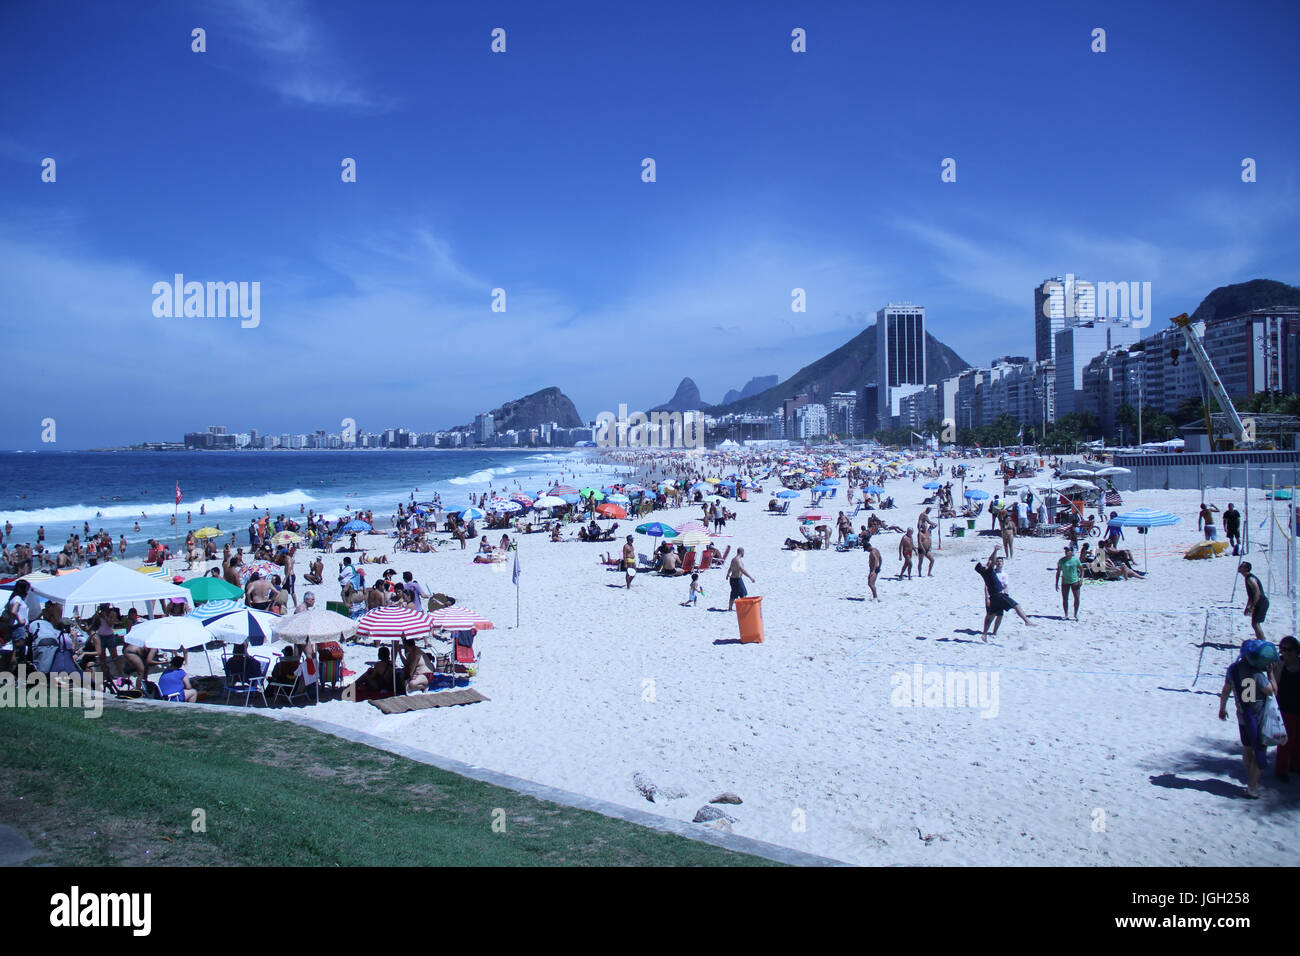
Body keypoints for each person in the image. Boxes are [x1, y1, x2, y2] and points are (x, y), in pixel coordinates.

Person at [1218, 640, 1277, 798]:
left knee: (1247, 749)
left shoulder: (1233, 670)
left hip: (1243, 717)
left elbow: (1226, 690)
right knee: (1259, 750)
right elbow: (1272, 691)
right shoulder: (1257, 674)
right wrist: (1271, 674)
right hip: (1258, 719)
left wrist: (1222, 708)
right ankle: (1252, 786)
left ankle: (1252, 782)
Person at [974, 546, 1034, 642]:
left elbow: (990, 561)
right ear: (983, 568)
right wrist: (995, 550)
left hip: (993, 597)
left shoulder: (985, 573)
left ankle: (984, 634)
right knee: (1017, 606)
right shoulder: (989, 572)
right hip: (999, 595)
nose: (986, 564)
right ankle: (1027, 621)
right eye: (984, 565)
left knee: (990, 617)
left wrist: (992, 555)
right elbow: (992, 560)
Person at [1274, 635, 1300, 783]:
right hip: (1285, 709)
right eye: (1283, 649)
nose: (1286, 653)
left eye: (1289, 649)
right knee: (1285, 741)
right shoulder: (1279, 665)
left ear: (1296, 651)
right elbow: (1274, 687)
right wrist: (1278, 669)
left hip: (1298, 708)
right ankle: (1281, 770)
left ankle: (1296, 766)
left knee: (1297, 741)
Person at [1240, 562, 1268, 640]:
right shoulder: (1247, 578)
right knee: (1255, 623)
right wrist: (1248, 607)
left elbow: (1257, 592)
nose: (1239, 567)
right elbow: (1251, 596)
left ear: (1246, 569)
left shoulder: (1250, 579)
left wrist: (1253, 606)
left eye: (1242, 566)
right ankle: (1260, 639)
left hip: (1261, 602)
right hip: (1259, 602)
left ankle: (1262, 640)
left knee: (1255, 623)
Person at [1055, 544, 1082, 620]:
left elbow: (1082, 570)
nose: (1066, 552)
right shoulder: (1061, 560)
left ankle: (1075, 614)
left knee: (1077, 598)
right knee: (1065, 598)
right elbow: (1058, 572)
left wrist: (1081, 579)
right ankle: (1066, 614)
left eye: (1068, 551)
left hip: (1075, 581)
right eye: (1066, 551)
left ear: (1072, 552)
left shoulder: (1076, 560)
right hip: (1065, 581)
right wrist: (1056, 583)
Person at [725, 547, 756, 612]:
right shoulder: (738, 560)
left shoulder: (733, 559)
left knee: (736, 593)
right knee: (742, 593)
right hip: (736, 579)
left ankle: (731, 607)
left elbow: (730, 567)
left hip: (733, 579)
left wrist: (728, 574)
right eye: (743, 552)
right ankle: (742, 608)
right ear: (741, 552)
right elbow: (742, 569)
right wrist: (750, 577)